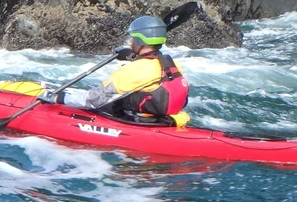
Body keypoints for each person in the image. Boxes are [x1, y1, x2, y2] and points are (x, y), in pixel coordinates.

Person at [40, 15, 190, 125]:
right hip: (164, 119)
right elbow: (149, 72)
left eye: (132, 39)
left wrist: (60, 98)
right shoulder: (171, 63)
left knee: (103, 104)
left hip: (139, 121)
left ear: (139, 40)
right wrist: (132, 56)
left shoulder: (134, 70)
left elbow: (95, 99)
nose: (130, 42)